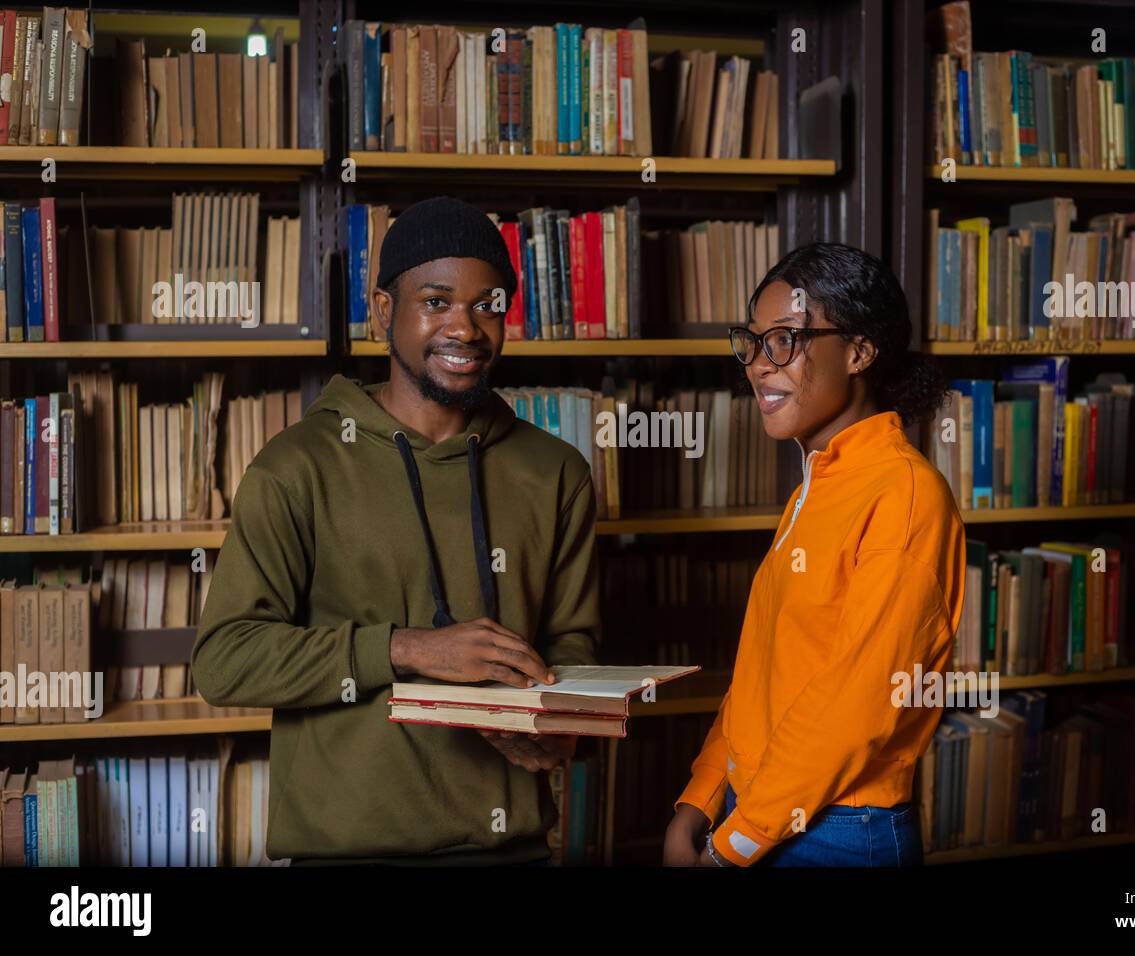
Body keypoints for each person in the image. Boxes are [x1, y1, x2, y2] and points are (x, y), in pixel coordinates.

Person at [192, 197, 600, 865]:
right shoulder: (297, 467)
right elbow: (226, 662)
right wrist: (407, 650)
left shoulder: (556, 471)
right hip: (348, 853)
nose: (464, 329)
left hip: (512, 849)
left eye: (487, 304)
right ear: (385, 311)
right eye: (436, 302)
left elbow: (572, 641)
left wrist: (560, 721)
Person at [663, 242, 965, 867]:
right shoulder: (815, 486)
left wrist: (729, 847)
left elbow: (855, 708)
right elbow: (762, 675)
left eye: (785, 341)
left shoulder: (905, 494)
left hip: (839, 836)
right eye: (752, 343)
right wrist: (699, 800)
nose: (758, 366)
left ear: (858, 351)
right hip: (757, 814)